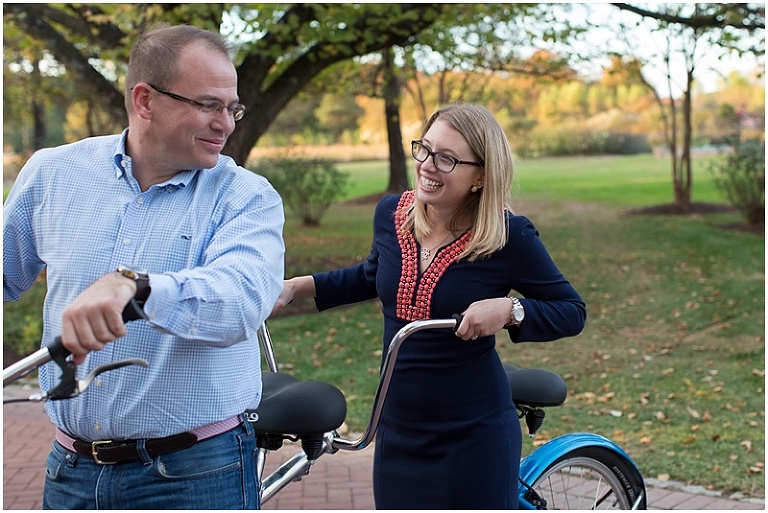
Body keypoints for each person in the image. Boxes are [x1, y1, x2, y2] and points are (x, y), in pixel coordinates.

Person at [3, 24, 285, 509]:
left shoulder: (246, 196)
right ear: (145, 100)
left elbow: (240, 300)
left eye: (231, 108)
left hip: (196, 474)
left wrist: (137, 288)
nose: (226, 124)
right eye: (208, 105)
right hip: (70, 471)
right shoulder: (53, 174)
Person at [271, 103, 586, 508]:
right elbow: (372, 275)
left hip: (474, 434)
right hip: (397, 427)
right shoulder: (391, 214)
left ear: (481, 175)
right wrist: (295, 287)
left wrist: (509, 310)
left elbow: (571, 310)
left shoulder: (509, 236)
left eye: (447, 158)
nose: (427, 165)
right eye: (425, 149)